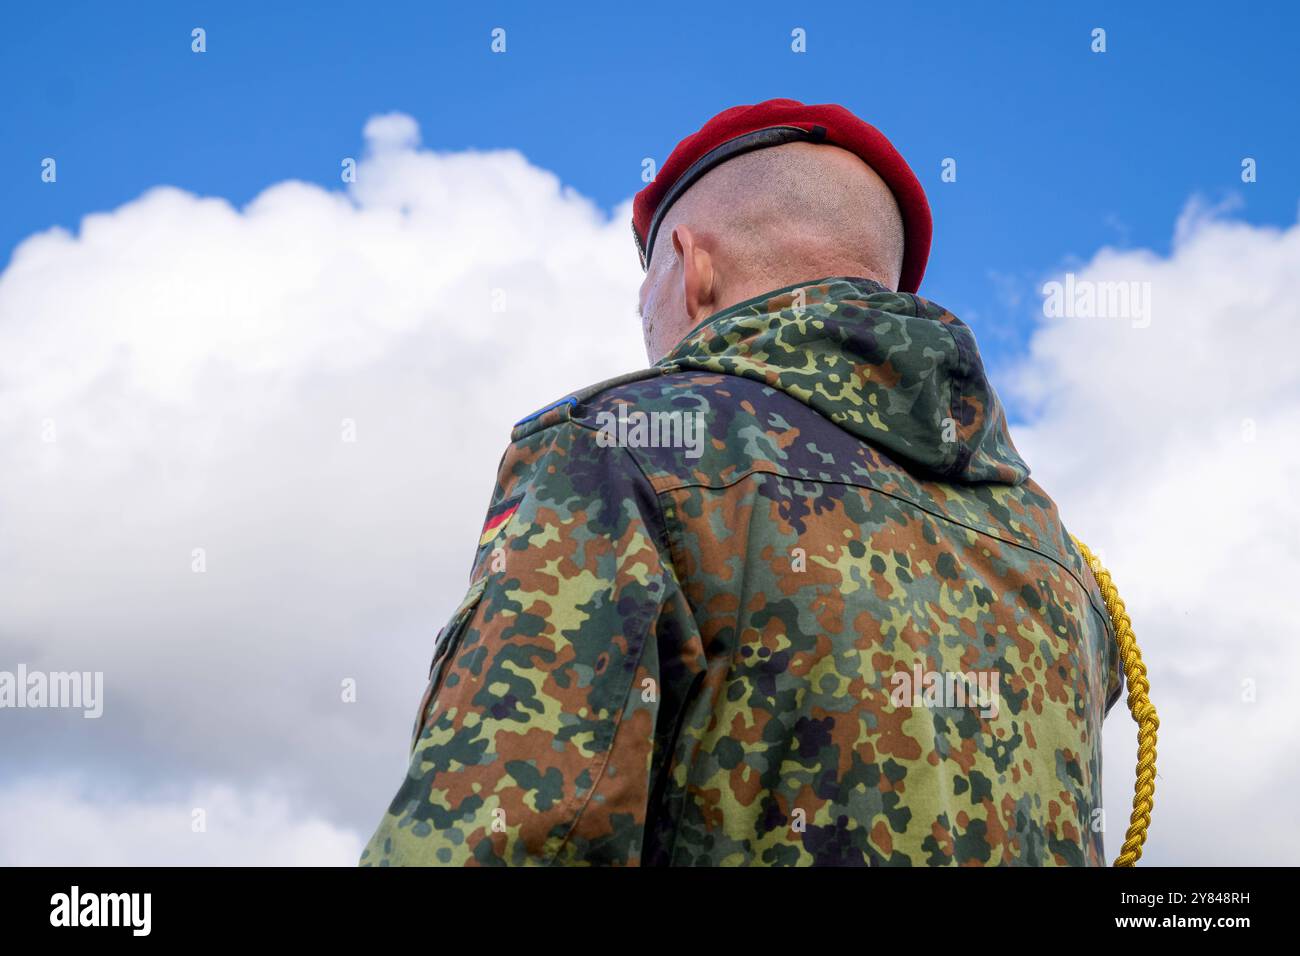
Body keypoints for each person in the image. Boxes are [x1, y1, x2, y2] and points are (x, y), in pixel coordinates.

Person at [361, 99, 1122, 866]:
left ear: (693, 267)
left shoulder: (619, 450)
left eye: (644, 293)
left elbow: (502, 839)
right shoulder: (1063, 566)